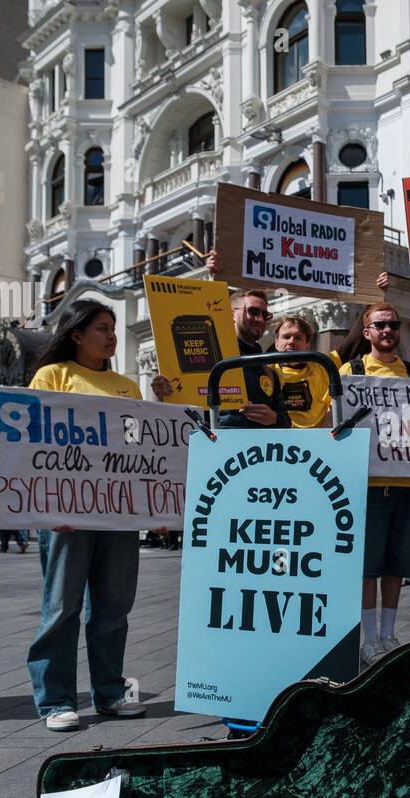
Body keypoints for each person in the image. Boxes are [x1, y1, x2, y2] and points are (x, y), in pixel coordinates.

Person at [26, 300, 149, 731]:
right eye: (101, 327)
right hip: (68, 511)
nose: (112, 335)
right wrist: (48, 504)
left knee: (114, 605)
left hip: (119, 510)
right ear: (76, 334)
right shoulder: (52, 376)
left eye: (113, 327)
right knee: (62, 606)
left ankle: (111, 693)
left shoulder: (127, 385)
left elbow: (141, 448)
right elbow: (36, 443)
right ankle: (55, 700)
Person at [343, 299, 410, 665]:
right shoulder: (352, 369)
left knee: (397, 563)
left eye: (393, 325)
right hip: (368, 482)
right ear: (367, 332)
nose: (388, 331)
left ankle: (389, 634)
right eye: (380, 325)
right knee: (367, 564)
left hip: (408, 480)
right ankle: (369, 638)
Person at [152, 252, 288, 428]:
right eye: (253, 312)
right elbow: (181, 410)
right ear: (231, 314)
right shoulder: (211, 355)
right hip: (216, 449)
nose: (260, 319)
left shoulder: (268, 371)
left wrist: (274, 418)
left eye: (265, 314)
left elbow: (286, 421)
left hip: (259, 453)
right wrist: (161, 394)